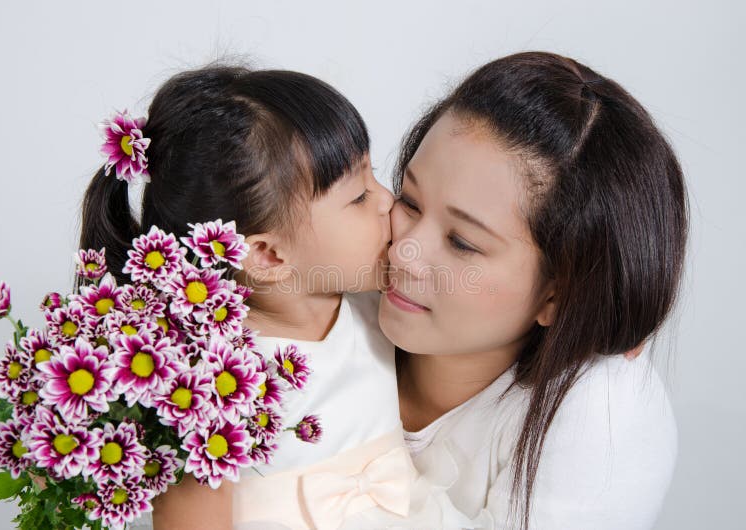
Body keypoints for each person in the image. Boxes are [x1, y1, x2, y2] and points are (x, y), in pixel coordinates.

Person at [80, 63, 462, 530]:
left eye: (373, 175)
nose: (387, 200)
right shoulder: (216, 381)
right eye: (359, 196)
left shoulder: (378, 311)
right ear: (267, 254)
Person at [378, 51, 687, 530]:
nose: (403, 252)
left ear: (558, 295)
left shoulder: (600, 415)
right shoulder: (336, 286)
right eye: (410, 201)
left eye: (462, 242)